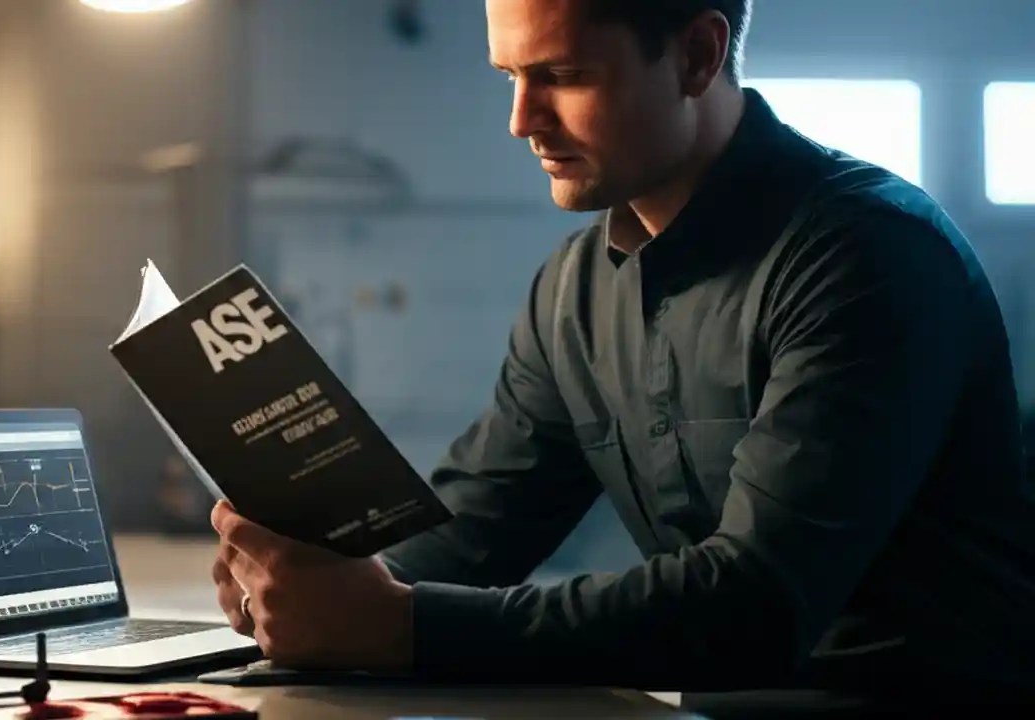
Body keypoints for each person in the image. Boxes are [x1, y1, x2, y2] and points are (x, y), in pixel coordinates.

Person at [210, 0, 1035, 696]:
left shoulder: (866, 255)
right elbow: (472, 534)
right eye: (509, 77)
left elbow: (756, 603)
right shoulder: (575, 291)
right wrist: (310, 587)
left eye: (561, 77)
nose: (519, 120)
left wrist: (395, 624)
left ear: (697, 56)